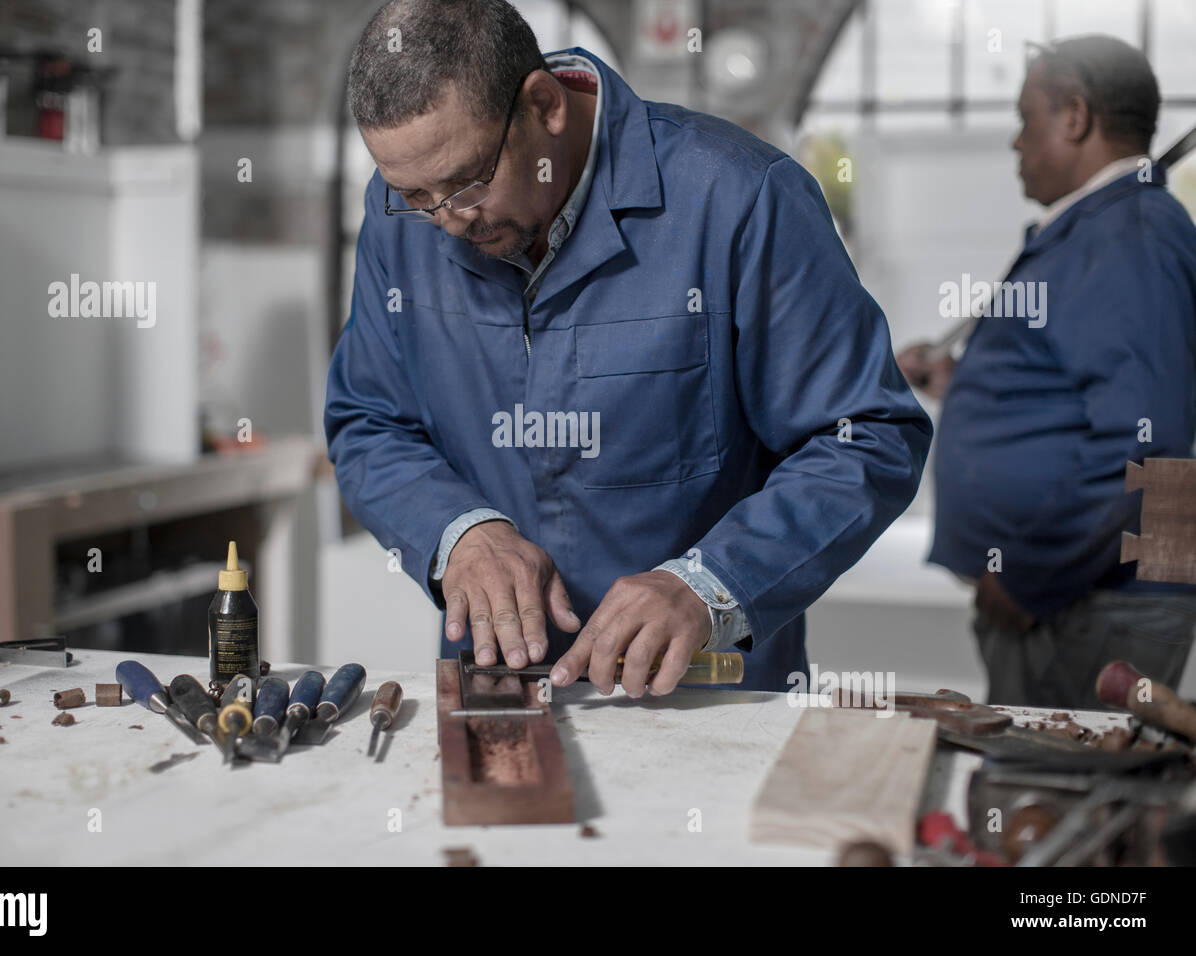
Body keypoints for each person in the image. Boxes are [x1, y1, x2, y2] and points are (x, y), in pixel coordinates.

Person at [328, 0, 931, 695]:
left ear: (544, 105)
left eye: (466, 182)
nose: (445, 222)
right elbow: (369, 421)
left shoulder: (739, 200)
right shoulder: (403, 213)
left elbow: (867, 435)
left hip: (707, 695)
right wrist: (456, 532)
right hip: (501, 690)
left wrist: (712, 583)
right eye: (413, 194)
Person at [900, 35, 1196, 707]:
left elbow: (1149, 440)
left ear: (1074, 117)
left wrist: (1034, 573)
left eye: (1024, 118)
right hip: (1080, 594)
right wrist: (964, 380)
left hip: (1095, 598)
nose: (1015, 142)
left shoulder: (1132, 238)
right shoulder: (1101, 229)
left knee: (1060, 794)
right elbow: (1077, 384)